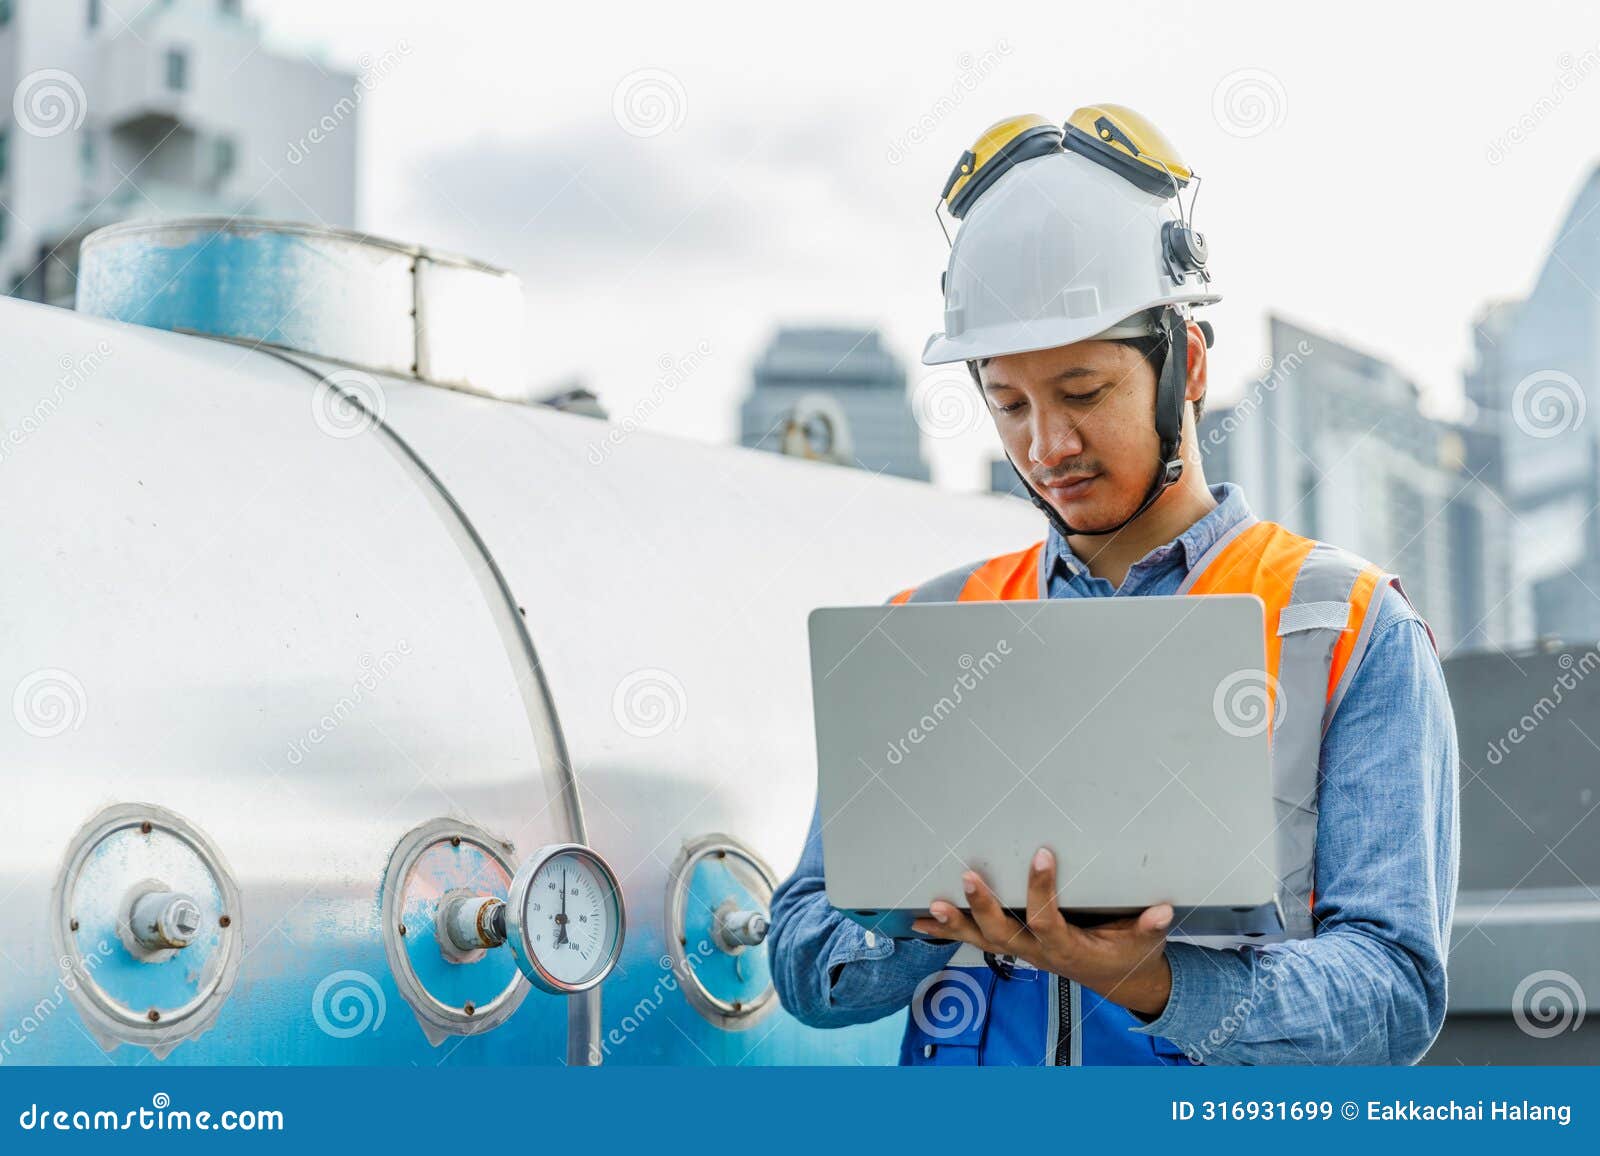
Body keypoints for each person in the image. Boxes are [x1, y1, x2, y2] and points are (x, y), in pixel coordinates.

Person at [768, 105, 1460, 1066]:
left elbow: (1392, 998)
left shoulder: (1339, 627)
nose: (1047, 447)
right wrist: (921, 914)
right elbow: (805, 965)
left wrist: (1152, 983)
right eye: (1008, 403)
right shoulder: (927, 629)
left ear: (1189, 367)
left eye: (1084, 394)